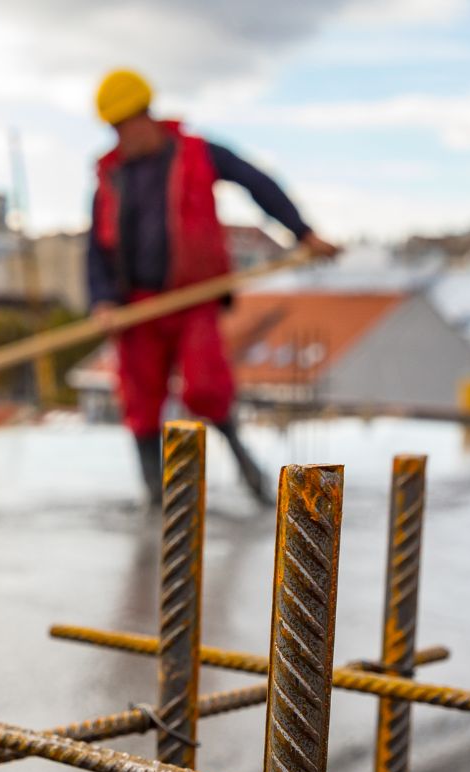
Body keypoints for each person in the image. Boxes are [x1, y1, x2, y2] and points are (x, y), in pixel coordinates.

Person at [86, 68, 341, 506]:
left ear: (146, 115)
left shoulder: (197, 153)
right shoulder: (110, 176)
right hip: (137, 306)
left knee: (207, 385)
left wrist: (303, 232)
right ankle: (155, 495)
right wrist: (103, 300)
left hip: (194, 297)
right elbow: (95, 248)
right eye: (115, 129)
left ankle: (248, 471)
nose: (123, 136)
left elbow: (257, 183)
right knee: (140, 397)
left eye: (126, 125)